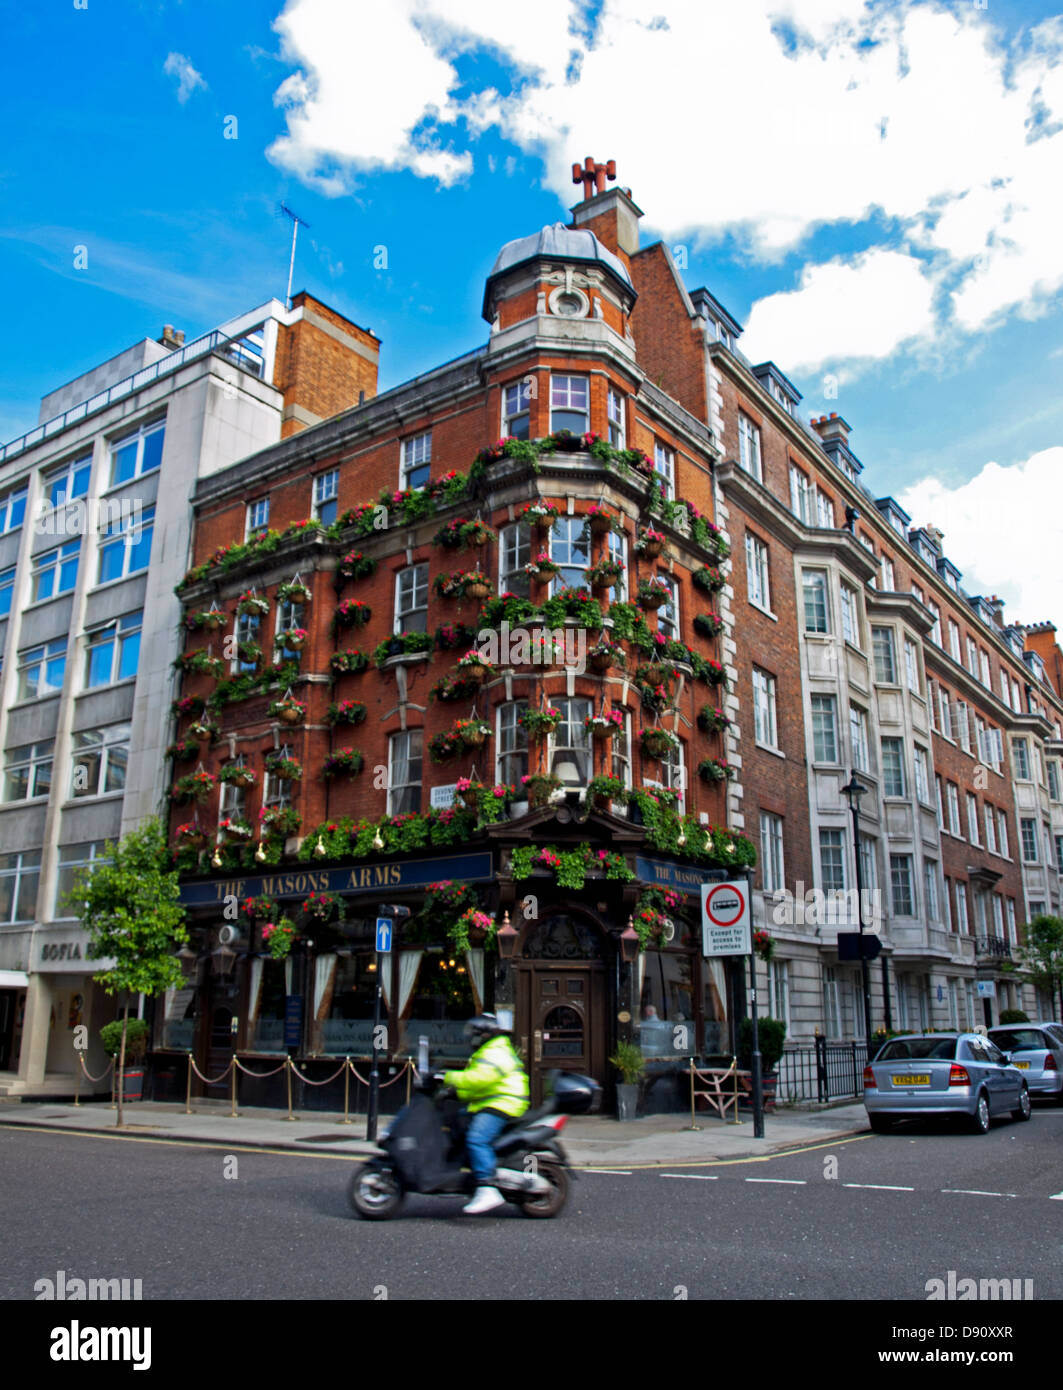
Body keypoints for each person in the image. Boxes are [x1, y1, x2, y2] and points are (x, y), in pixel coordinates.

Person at [443, 1013, 529, 1214]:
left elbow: (478, 1078)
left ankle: (487, 1187)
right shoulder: (491, 1049)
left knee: (476, 1138)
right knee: (459, 1121)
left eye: (474, 1033)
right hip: (492, 1100)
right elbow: (478, 1085)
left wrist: (447, 1077)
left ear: (485, 1034)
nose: (471, 1037)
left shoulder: (495, 1052)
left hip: (503, 1102)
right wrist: (456, 1092)